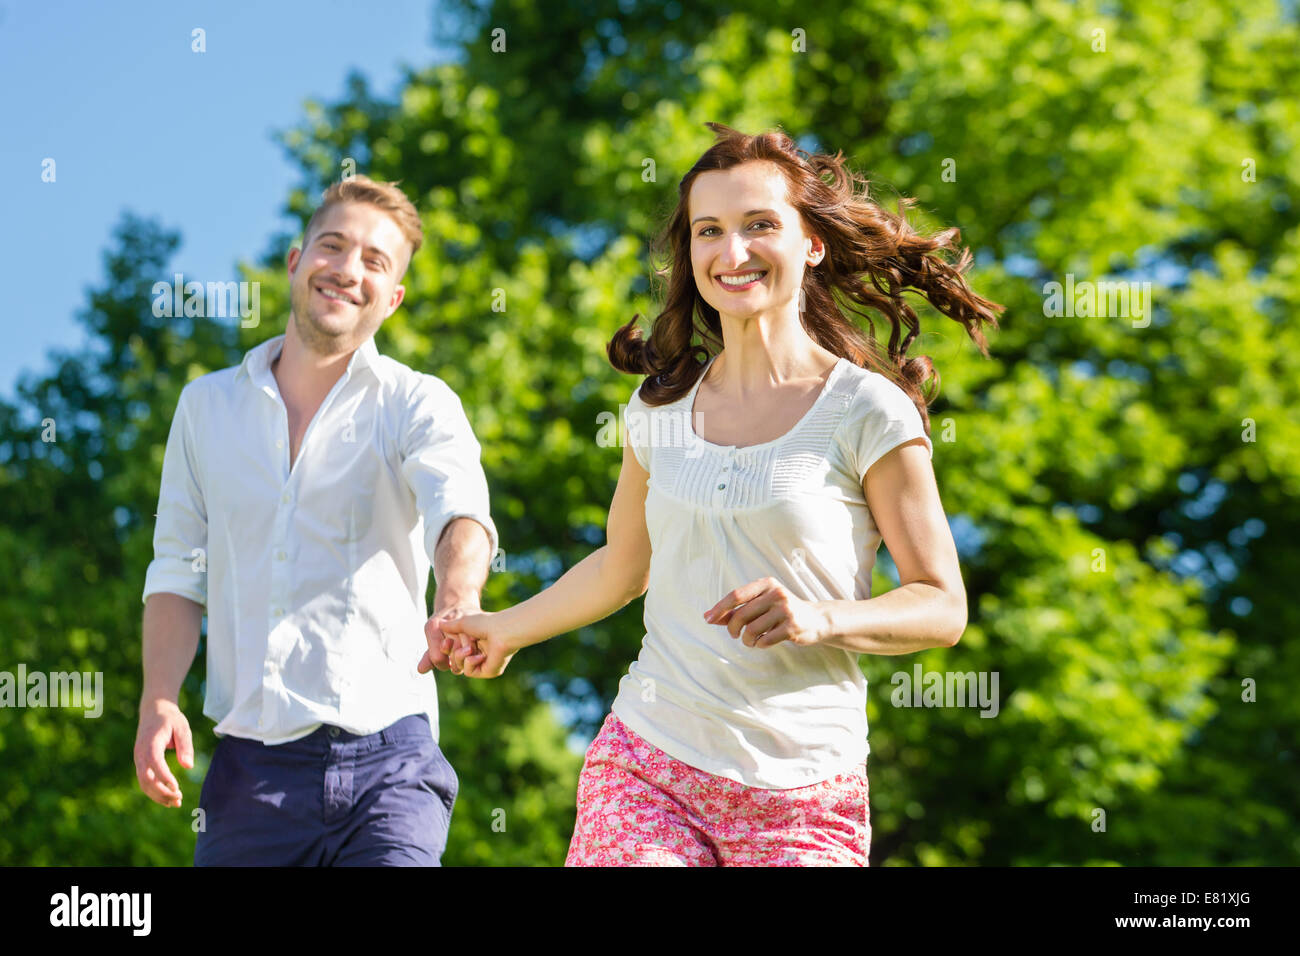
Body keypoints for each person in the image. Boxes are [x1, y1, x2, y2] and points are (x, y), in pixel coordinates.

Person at [438, 123, 1004, 866]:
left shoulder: (867, 410)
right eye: (709, 231)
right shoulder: (658, 411)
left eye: (759, 224)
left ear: (812, 244)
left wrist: (817, 616)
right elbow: (621, 566)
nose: (731, 253)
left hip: (806, 792)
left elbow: (940, 604)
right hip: (650, 761)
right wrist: (505, 626)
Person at [134, 175, 498, 866]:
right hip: (250, 778)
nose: (348, 270)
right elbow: (180, 570)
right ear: (297, 261)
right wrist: (159, 697)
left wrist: (459, 599)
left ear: (392, 299)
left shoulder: (416, 403)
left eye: (375, 262)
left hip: (391, 763)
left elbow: (460, 512)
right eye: (333, 247)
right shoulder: (205, 408)